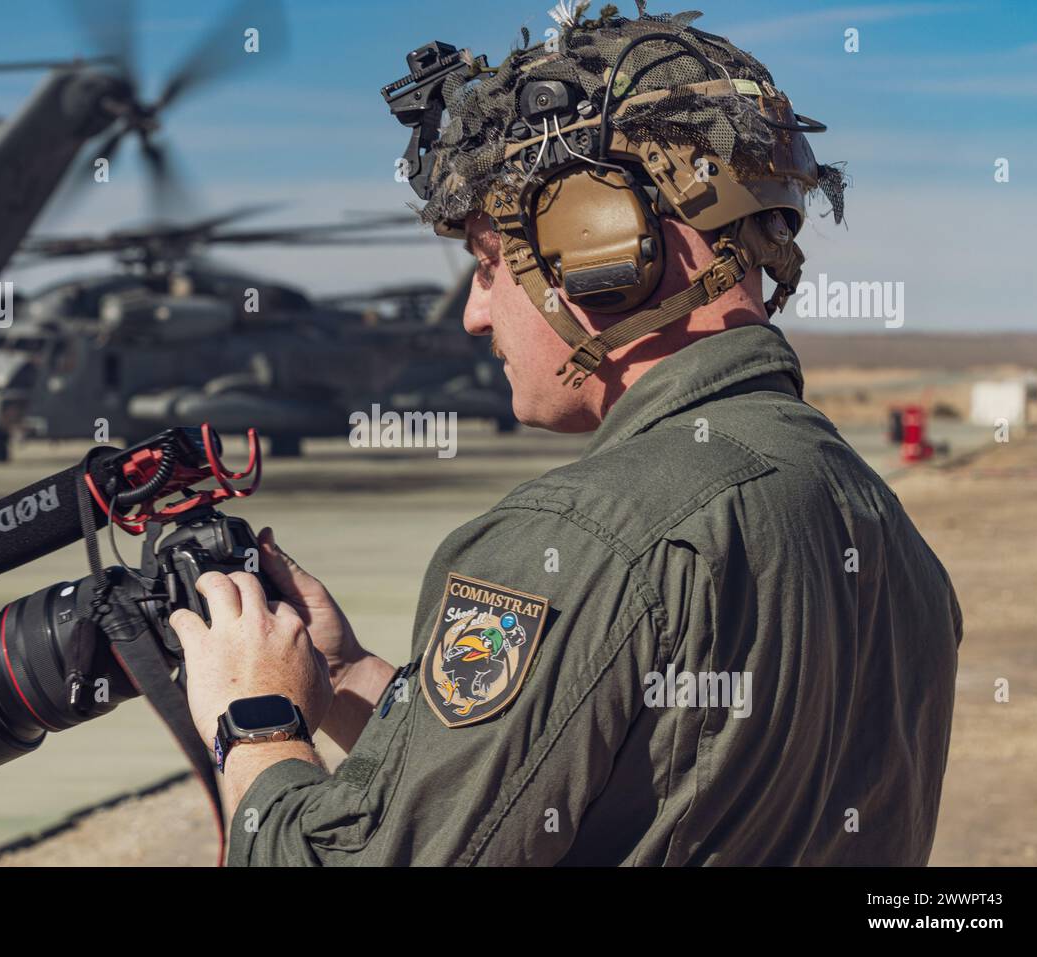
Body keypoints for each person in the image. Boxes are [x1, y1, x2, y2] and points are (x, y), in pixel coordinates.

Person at [172, 2, 963, 866]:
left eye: (485, 265)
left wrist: (253, 718)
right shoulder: (876, 517)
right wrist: (351, 677)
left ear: (602, 242)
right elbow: (601, 779)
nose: (475, 314)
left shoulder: (579, 540)